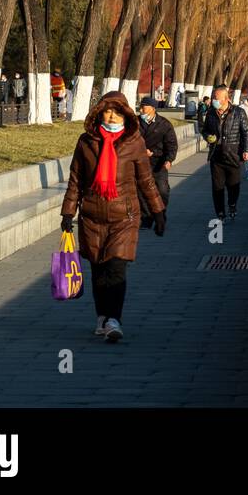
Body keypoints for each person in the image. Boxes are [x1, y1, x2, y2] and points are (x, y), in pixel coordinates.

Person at [59, 91, 166, 343]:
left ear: (126, 115)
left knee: (116, 267)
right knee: (98, 271)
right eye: (107, 111)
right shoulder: (86, 141)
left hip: (124, 217)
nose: (112, 115)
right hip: (92, 216)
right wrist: (67, 212)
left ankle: (114, 319)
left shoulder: (134, 142)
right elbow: (76, 179)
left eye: (117, 112)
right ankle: (102, 316)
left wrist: (158, 211)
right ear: (99, 113)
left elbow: (146, 180)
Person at [201, 85, 248, 220]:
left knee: (233, 185)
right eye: (213, 98)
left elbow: (246, 132)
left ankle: (232, 204)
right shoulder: (211, 113)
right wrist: (207, 136)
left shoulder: (239, 112)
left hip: (233, 154)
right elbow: (204, 130)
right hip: (216, 155)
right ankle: (220, 213)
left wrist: (246, 150)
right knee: (217, 187)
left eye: (216, 98)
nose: (213, 100)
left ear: (226, 98)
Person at [138, 97, 177, 228]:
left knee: (162, 190)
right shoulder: (135, 123)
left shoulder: (164, 124)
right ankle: (146, 218)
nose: (141, 109)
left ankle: (160, 214)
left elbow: (171, 144)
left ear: (153, 108)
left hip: (158, 163)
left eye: (144, 106)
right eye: (141, 106)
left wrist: (169, 159)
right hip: (140, 163)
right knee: (142, 191)